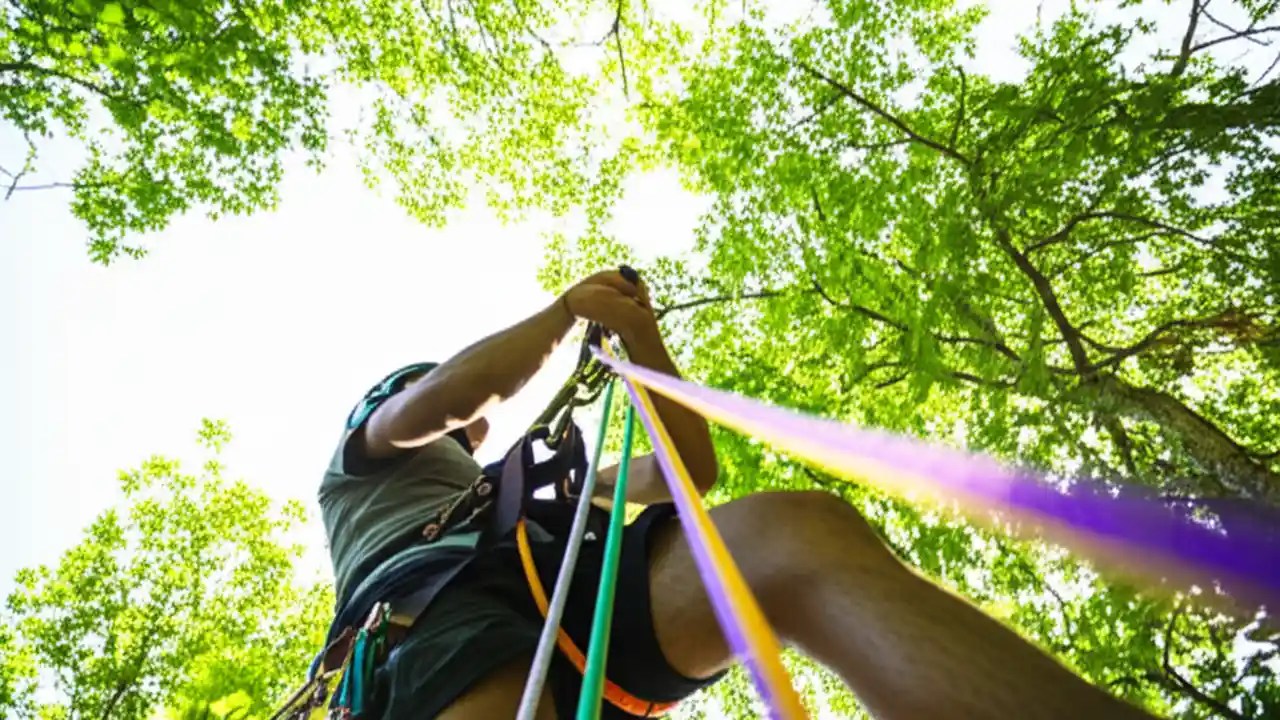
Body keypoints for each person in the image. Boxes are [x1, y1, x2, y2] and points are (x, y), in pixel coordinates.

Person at [318, 269, 1159, 720]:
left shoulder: (549, 497)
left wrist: (640, 337)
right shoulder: (367, 464)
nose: (473, 441)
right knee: (508, 697)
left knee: (791, 537)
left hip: (560, 577)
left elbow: (687, 473)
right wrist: (565, 312)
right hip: (426, 610)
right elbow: (454, 398)